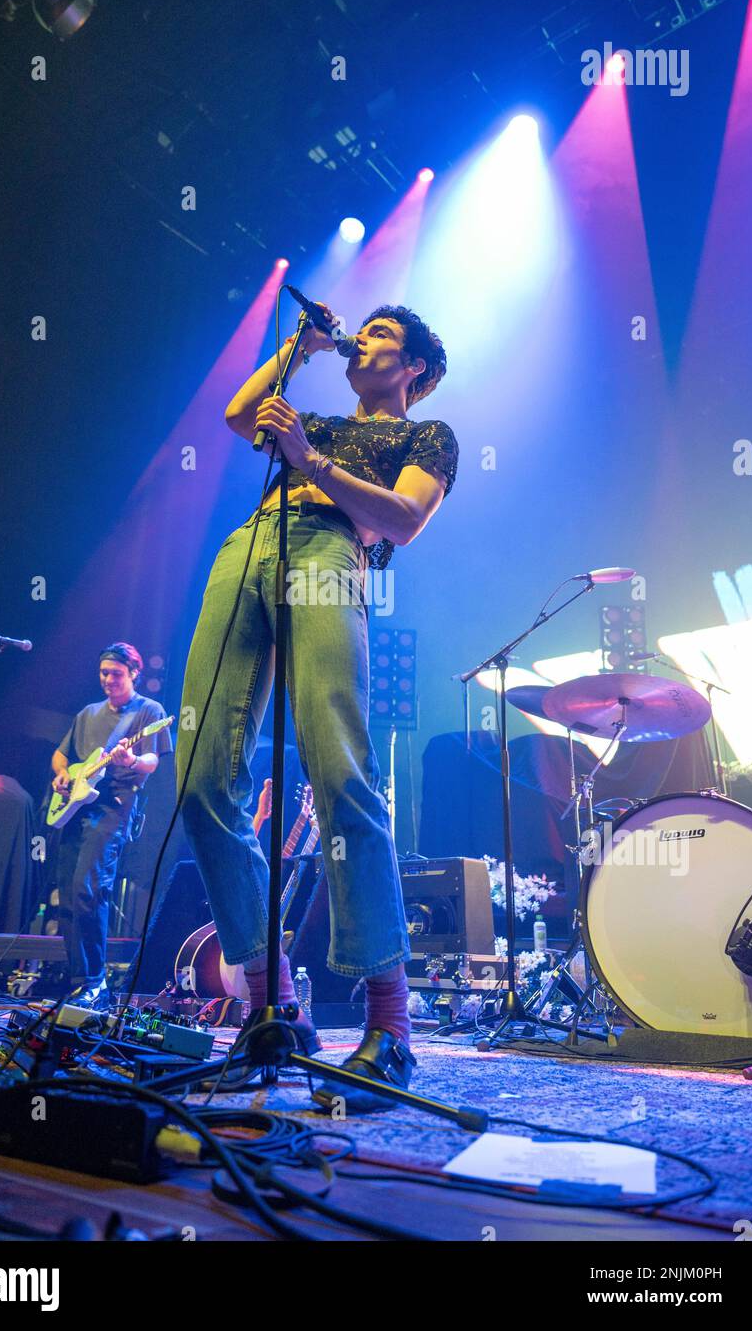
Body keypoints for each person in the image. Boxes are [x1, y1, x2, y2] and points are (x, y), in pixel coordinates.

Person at [177, 304, 459, 1109]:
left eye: (381, 335)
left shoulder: (426, 436)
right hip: (250, 545)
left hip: (333, 548)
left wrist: (310, 461)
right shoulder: (322, 415)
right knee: (199, 782)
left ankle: (390, 1024)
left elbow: (401, 521)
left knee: (340, 769)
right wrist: (298, 347)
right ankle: (272, 1006)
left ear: (415, 369)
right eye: (358, 330)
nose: (361, 340)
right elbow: (239, 414)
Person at [50, 643, 173, 1008]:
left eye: (116, 673)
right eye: (103, 672)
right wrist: (61, 775)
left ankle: (96, 981)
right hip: (77, 808)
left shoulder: (150, 711)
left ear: (134, 673)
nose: (108, 679)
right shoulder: (88, 714)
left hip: (114, 807)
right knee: (68, 893)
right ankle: (79, 981)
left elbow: (152, 759)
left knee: (89, 888)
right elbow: (61, 754)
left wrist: (132, 758)